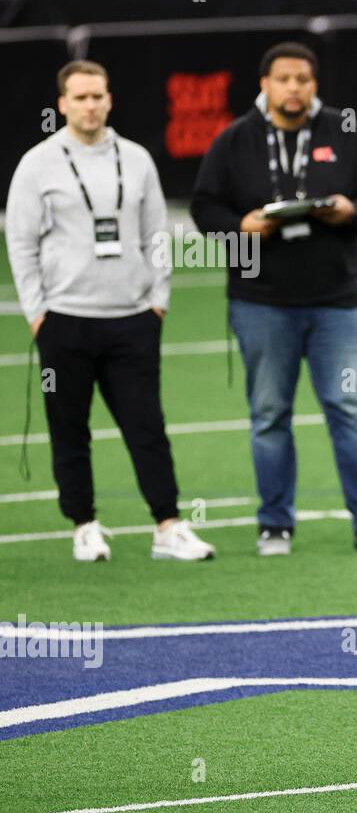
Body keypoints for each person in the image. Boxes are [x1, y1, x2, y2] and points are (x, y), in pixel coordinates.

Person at [191, 42, 357, 557]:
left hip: (336, 302)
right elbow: (204, 206)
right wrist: (240, 226)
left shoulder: (346, 131)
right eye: (284, 78)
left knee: (350, 409)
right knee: (269, 414)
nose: (294, 88)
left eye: (304, 79)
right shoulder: (235, 139)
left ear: (315, 85)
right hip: (261, 301)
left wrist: (349, 210)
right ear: (265, 83)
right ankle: (274, 525)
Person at [5, 60, 215, 563]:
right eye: (79, 97)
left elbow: (157, 235)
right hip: (64, 321)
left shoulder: (137, 159)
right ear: (62, 104)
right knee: (68, 426)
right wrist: (38, 314)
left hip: (131, 320)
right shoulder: (38, 163)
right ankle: (84, 524)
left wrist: (156, 302)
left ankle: (167, 525)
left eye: (97, 95)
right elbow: (20, 243)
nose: (90, 105)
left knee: (147, 426)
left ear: (109, 99)